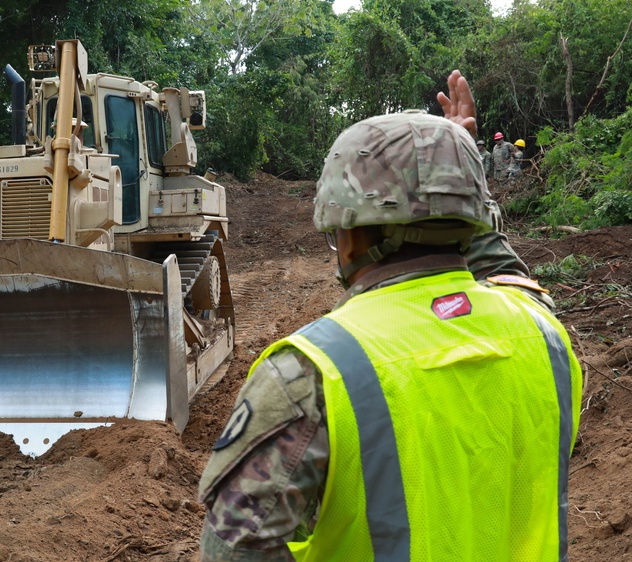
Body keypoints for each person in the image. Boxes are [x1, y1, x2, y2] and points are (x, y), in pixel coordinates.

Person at [198, 71, 582, 561]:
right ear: (472, 217)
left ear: (349, 233)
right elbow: (506, 272)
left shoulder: (309, 374)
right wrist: (451, 174)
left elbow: (234, 549)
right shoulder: (544, 334)